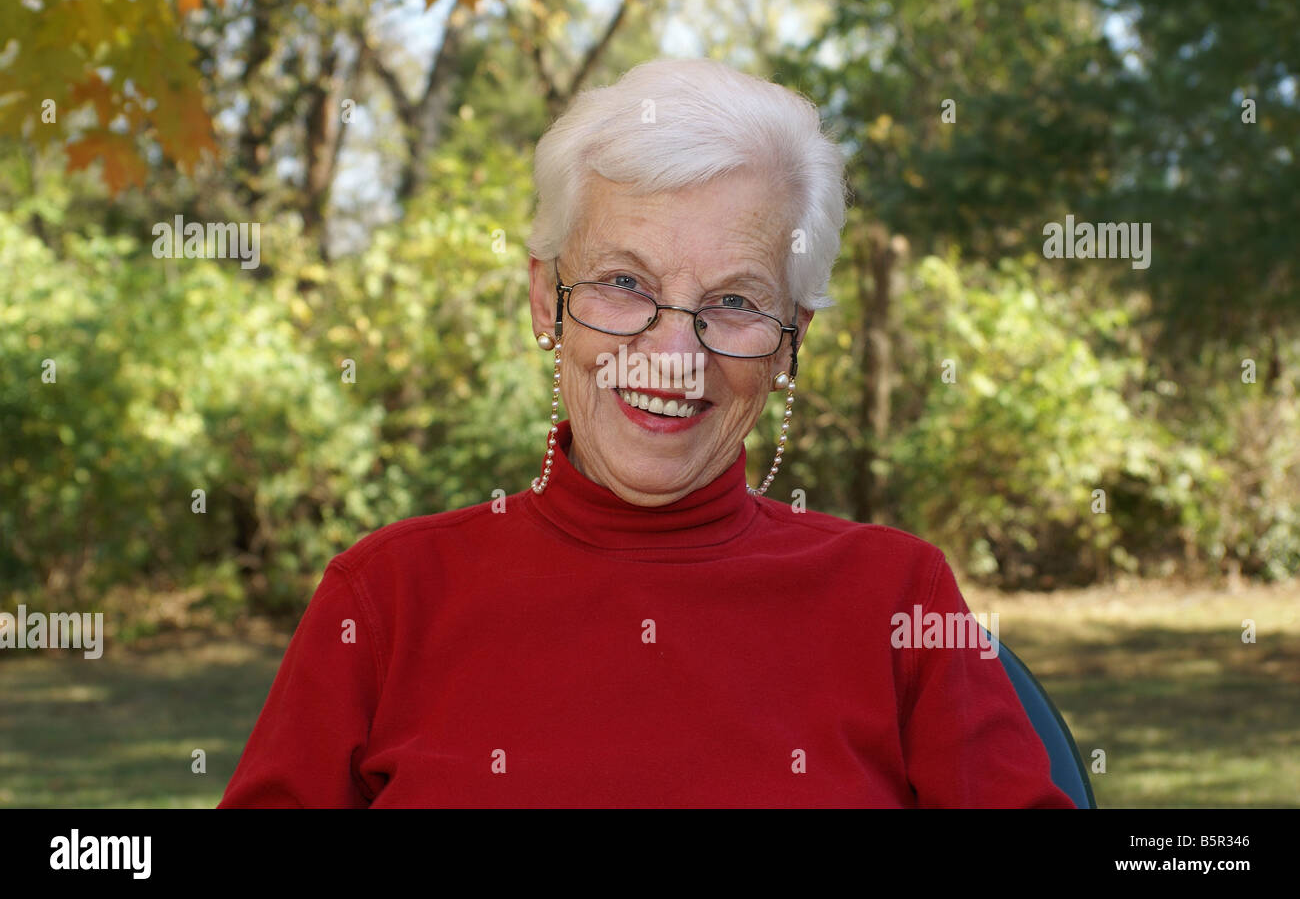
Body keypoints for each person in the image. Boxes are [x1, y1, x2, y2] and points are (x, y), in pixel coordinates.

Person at [218, 57, 1075, 808]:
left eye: (735, 302)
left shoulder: (901, 596)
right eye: (623, 282)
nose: (672, 353)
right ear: (543, 297)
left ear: (793, 340)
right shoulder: (384, 598)